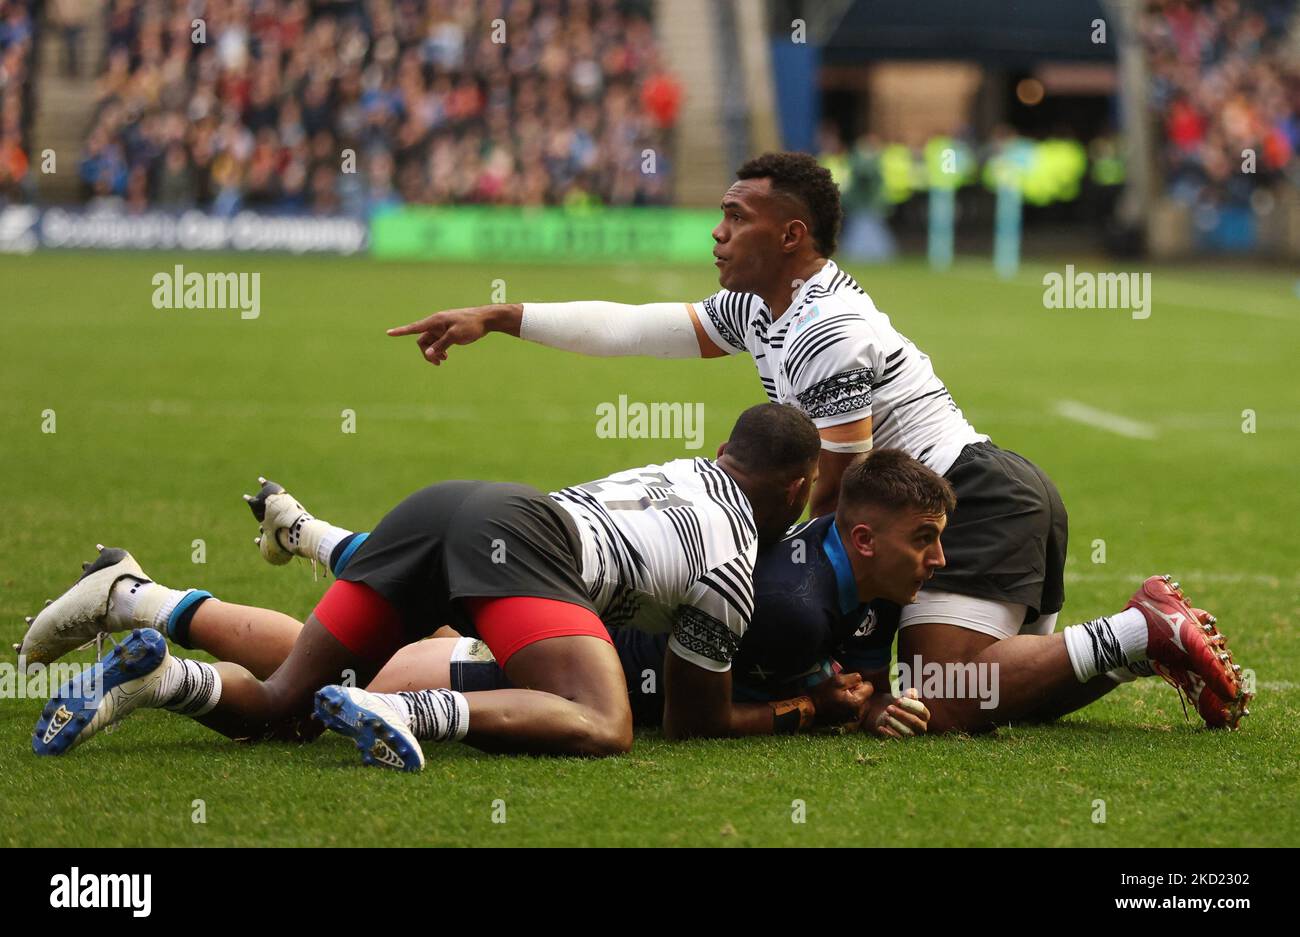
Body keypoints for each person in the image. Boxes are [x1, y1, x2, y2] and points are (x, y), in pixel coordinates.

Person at [383, 151, 1250, 729]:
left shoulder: (825, 328)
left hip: (962, 502)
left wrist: (750, 597)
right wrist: (500, 317)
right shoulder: (769, 309)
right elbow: (642, 327)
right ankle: (1146, 642)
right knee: (987, 694)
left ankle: (1142, 631)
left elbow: (833, 494)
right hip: (969, 495)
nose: (716, 233)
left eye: (735, 217)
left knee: (944, 695)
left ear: (790, 235)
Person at [26, 405, 832, 769]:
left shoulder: (682, 466)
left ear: (728, 450)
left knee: (283, 708)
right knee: (606, 721)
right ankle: (398, 709)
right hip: (522, 543)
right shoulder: (734, 557)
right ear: (796, 488)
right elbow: (693, 722)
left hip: (441, 507)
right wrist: (804, 710)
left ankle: (165, 675)